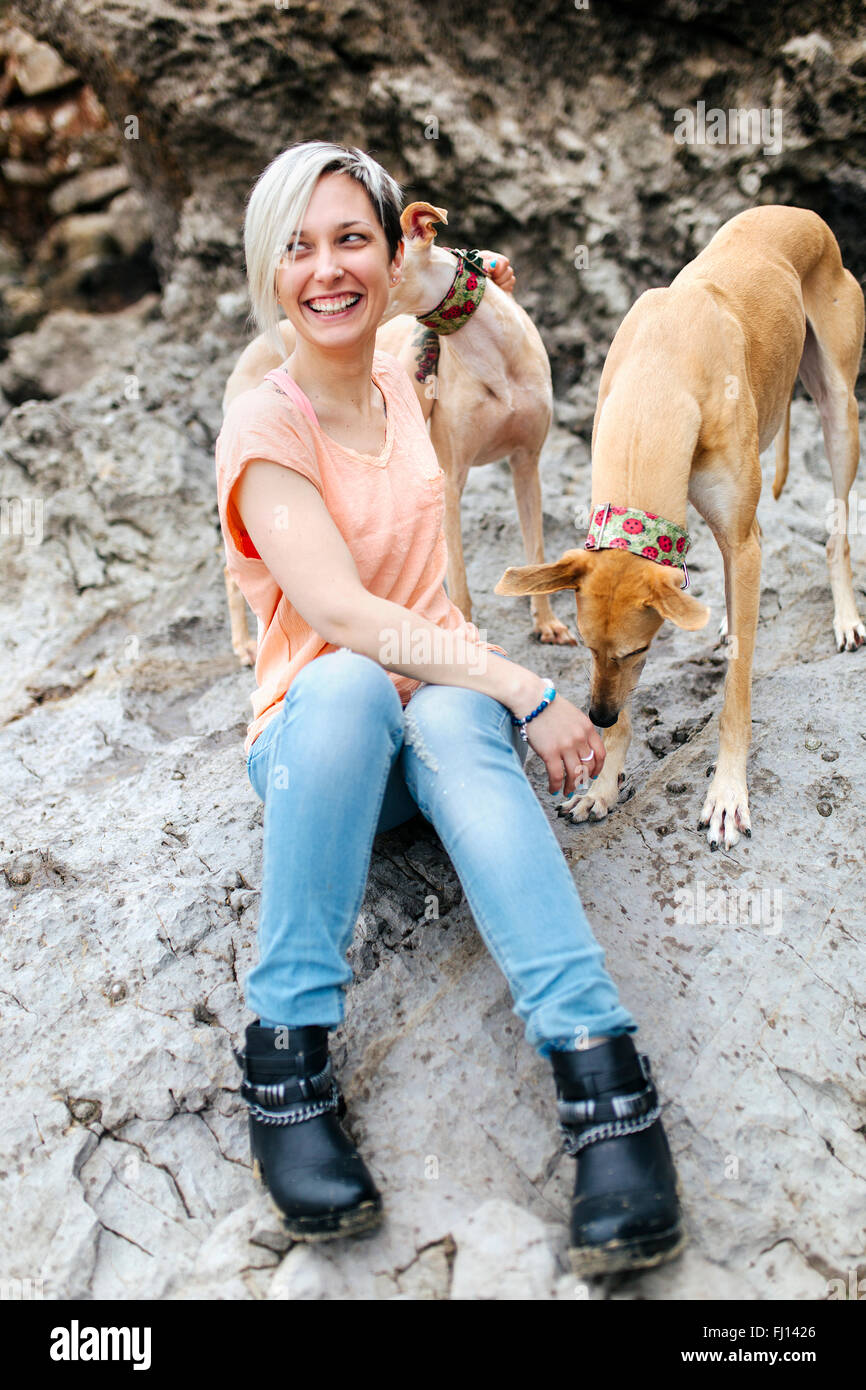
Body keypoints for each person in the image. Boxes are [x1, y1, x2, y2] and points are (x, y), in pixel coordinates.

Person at [214, 140, 684, 1276]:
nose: (326, 269)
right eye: (297, 247)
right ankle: (286, 1060)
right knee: (344, 682)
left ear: (388, 255)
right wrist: (533, 690)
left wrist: (473, 272)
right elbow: (340, 610)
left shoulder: (401, 374)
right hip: (320, 743)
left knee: (449, 719)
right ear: (265, 269)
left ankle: (605, 1089)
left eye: (349, 240)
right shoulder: (265, 428)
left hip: (438, 712)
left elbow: (462, 280)